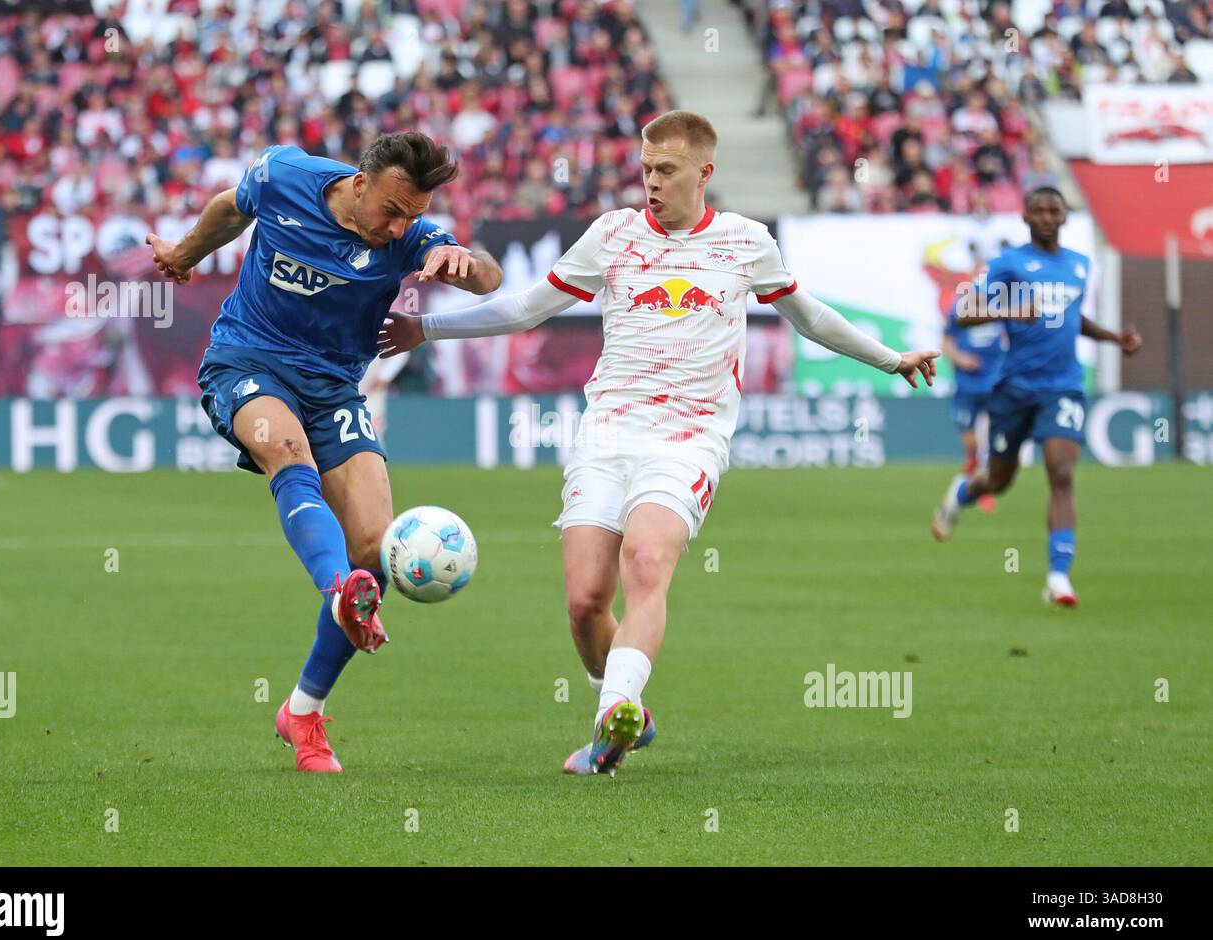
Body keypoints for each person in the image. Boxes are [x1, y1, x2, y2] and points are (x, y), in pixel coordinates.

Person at [380, 111, 938, 775]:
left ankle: (608, 724)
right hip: (609, 431)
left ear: (704, 173)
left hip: (691, 437)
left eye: (666, 171)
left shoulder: (745, 243)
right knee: (586, 602)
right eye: (645, 168)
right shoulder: (611, 235)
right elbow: (527, 307)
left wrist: (891, 359)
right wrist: (430, 328)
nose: (651, 182)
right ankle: (627, 711)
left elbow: (809, 316)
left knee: (647, 561)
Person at [145, 133, 503, 772]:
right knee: (286, 450)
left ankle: (302, 712)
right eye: (392, 210)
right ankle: (342, 590)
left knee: (376, 549)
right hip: (246, 360)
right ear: (358, 182)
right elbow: (233, 206)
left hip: (334, 387)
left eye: (413, 215)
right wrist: (182, 253)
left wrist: (461, 260)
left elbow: (489, 276)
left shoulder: (413, 235)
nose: (399, 226)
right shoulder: (285, 174)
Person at [931, 187, 1142, 606]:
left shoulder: (1079, 266)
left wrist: (1113, 338)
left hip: (1063, 386)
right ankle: (960, 495)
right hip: (1014, 389)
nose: (1047, 217)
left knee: (1061, 474)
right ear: (1026, 218)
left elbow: (1072, 317)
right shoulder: (1008, 264)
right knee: (999, 480)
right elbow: (963, 314)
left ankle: (1058, 579)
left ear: (1064, 217)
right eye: (1039, 211)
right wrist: (1008, 308)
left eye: (1054, 211)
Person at [940, 268, 1005, 512]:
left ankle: (984, 487)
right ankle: (971, 475)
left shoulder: (1002, 307)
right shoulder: (959, 308)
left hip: (995, 383)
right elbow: (946, 342)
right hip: (968, 384)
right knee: (970, 442)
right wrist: (960, 358)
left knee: (992, 438)